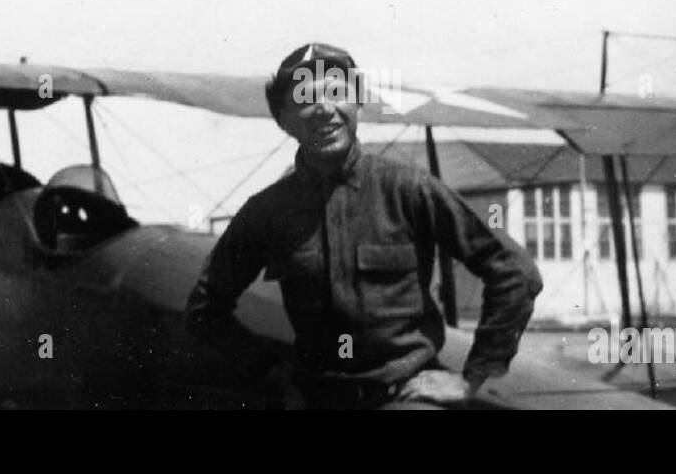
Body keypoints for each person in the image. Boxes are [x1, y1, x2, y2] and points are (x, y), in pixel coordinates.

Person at [184, 43, 542, 409]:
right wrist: (270, 372)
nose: (325, 108)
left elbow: (515, 271)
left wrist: (471, 377)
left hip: (405, 396)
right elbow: (204, 308)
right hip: (315, 398)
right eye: (306, 98)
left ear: (357, 103)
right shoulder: (266, 212)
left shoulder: (409, 188)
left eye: (338, 93)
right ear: (283, 118)